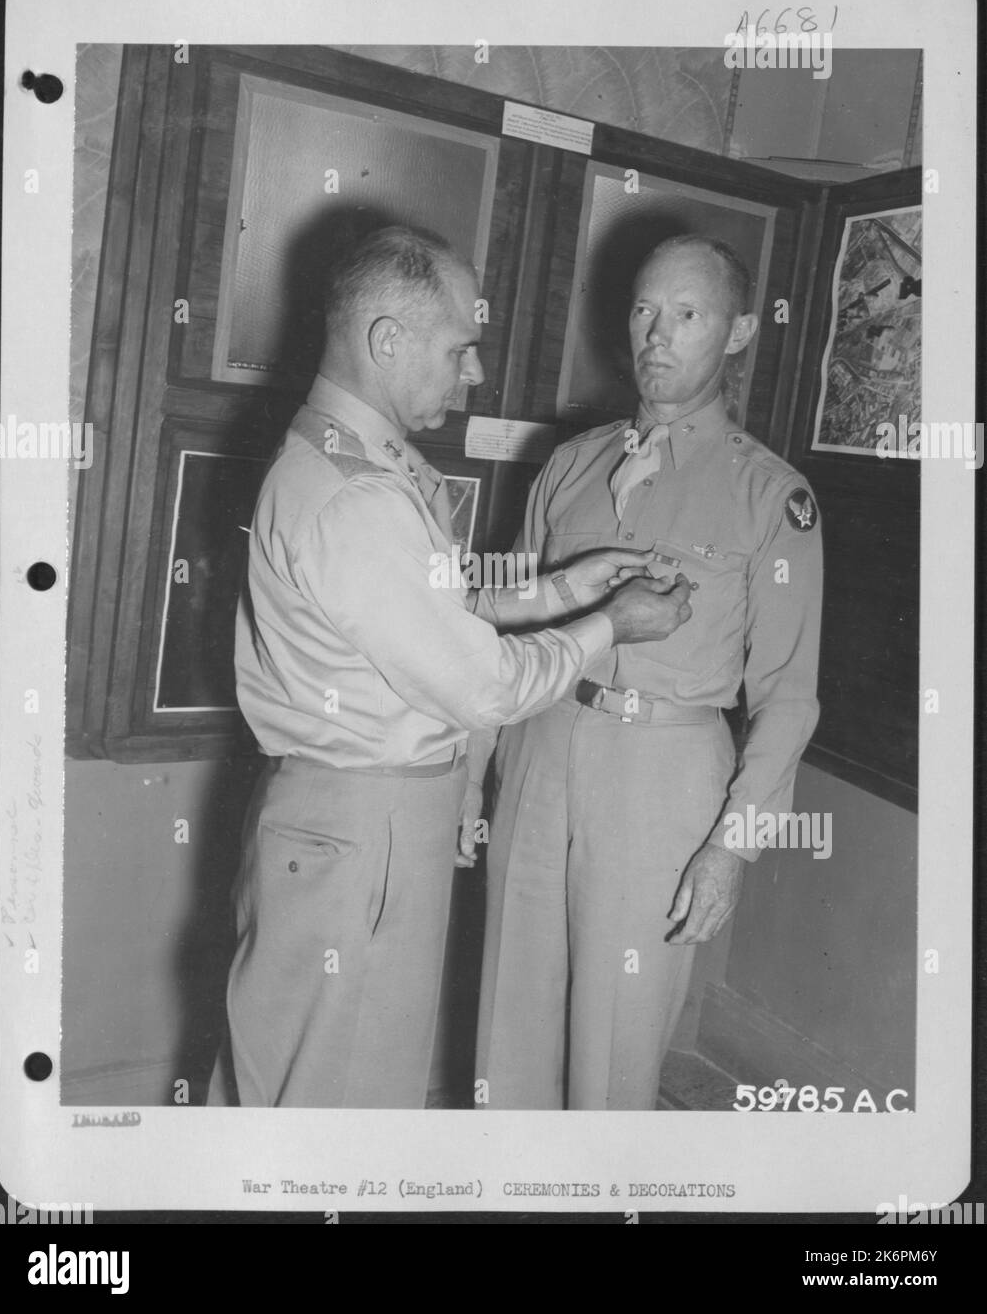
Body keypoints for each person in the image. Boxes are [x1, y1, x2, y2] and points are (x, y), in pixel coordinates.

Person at [206, 224, 695, 1109]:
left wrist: (558, 589)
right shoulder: (357, 499)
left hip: (360, 822)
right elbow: (485, 686)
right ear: (386, 340)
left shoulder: (347, 466)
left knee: (311, 1072)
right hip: (368, 828)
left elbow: (434, 605)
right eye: (459, 348)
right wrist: (610, 627)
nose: (472, 373)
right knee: (336, 1102)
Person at [470, 233, 824, 1110]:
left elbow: (787, 697)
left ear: (738, 334)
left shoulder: (768, 497)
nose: (655, 336)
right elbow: (504, 630)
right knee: (504, 1025)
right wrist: (470, 779)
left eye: (687, 315)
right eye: (641, 309)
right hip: (539, 747)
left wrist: (730, 846)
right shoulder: (569, 464)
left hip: (663, 779)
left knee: (614, 1044)